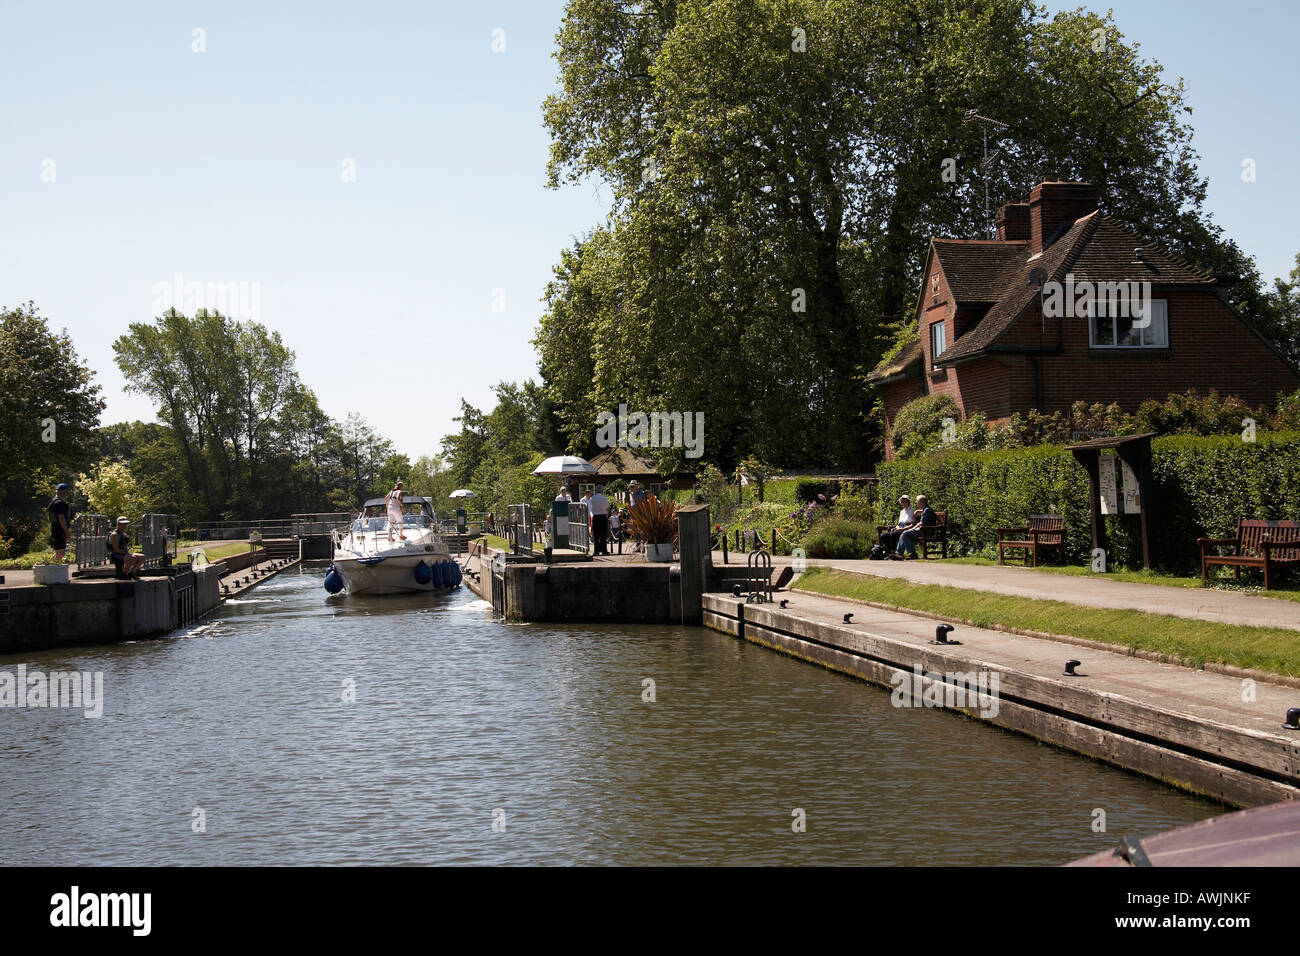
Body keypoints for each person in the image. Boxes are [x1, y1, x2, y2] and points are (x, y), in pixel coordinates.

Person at [894, 494, 938, 560]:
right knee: (904, 534)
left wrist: (913, 528)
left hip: (926, 531)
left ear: (921, 502)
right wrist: (917, 511)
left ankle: (911, 553)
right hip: (924, 530)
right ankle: (899, 554)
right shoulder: (926, 509)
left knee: (905, 533)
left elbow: (921, 524)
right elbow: (924, 515)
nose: (916, 503)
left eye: (917, 501)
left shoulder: (926, 510)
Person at [48, 482, 72, 563]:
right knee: (60, 551)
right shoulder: (59, 503)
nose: (66, 493)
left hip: (56, 529)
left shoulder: (54, 501)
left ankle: (57, 564)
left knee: (59, 550)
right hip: (59, 530)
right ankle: (57, 566)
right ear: (63, 492)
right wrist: (66, 531)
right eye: (66, 491)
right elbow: (61, 518)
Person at [589, 484, 611, 555]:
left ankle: (596, 551)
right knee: (603, 535)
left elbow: (592, 506)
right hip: (603, 516)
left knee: (596, 535)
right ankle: (604, 550)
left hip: (595, 517)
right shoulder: (604, 498)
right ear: (602, 491)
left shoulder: (592, 498)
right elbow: (607, 507)